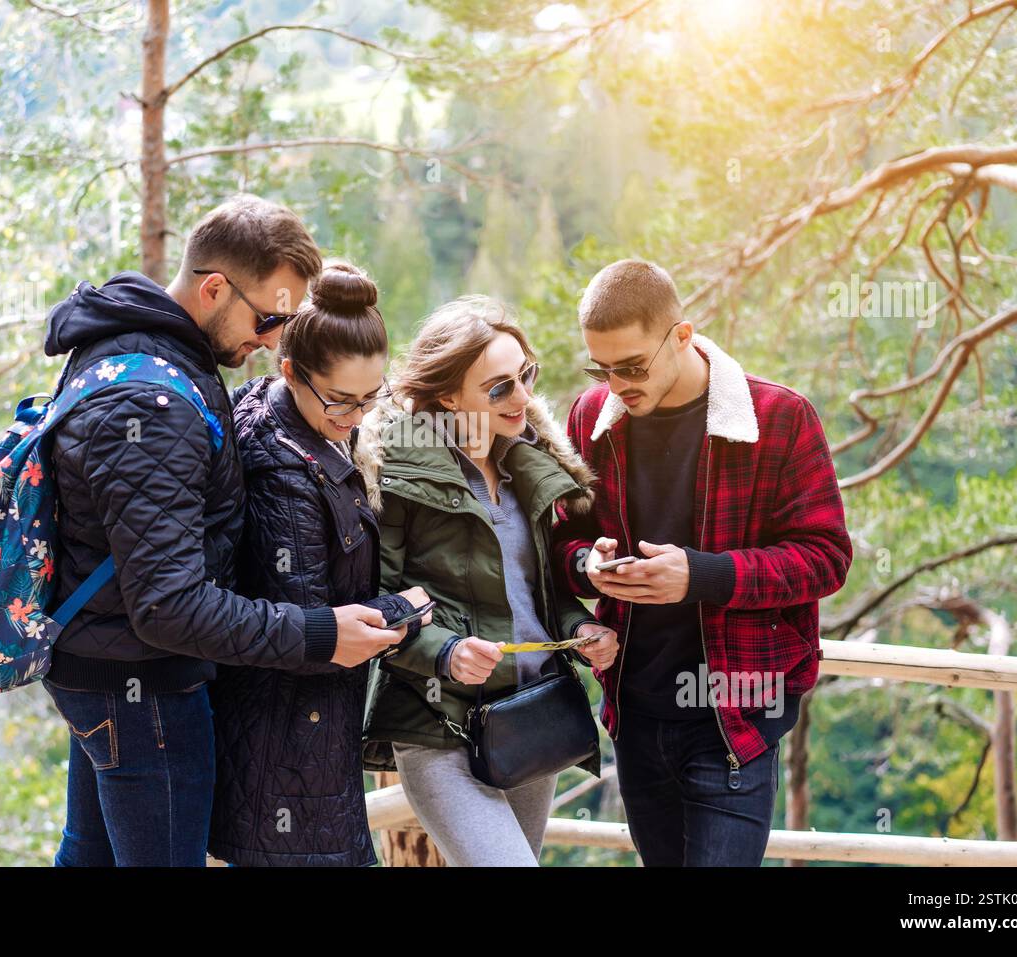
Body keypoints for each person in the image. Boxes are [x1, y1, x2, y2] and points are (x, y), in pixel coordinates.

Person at [40, 195, 403, 867]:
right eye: (267, 318)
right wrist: (321, 632)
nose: (270, 341)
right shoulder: (155, 403)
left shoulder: (127, 346)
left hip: (101, 664)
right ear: (214, 288)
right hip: (142, 686)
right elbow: (169, 605)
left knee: (85, 856)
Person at [551, 258, 853, 866]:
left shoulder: (779, 418)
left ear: (682, 335)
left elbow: (825, 560)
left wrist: (702, 575)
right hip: (635, 714)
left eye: (632, 367)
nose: (617, 385)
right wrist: (590, 563)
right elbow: (559, 545)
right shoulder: (589, 418)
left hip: (736, 717)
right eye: (601, 368)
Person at [358, 296, 619, 867]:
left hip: (532, 718)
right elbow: (376, 605)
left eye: (526, 376)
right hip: (441, 727)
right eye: (499, 387)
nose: (522, 398)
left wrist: (581, 628)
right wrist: (444, 652)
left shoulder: (526, 469)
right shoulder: (398, 477)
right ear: (449, 395)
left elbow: (540, 589)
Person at [209, 261, 430, 866]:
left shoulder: (303, 426)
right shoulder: (283, 469)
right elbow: (317, 634)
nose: (356, 418)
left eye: (370, 398)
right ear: (289, 370)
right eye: (339, 401)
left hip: (305, 742)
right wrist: (410, 608)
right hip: (288, 747)